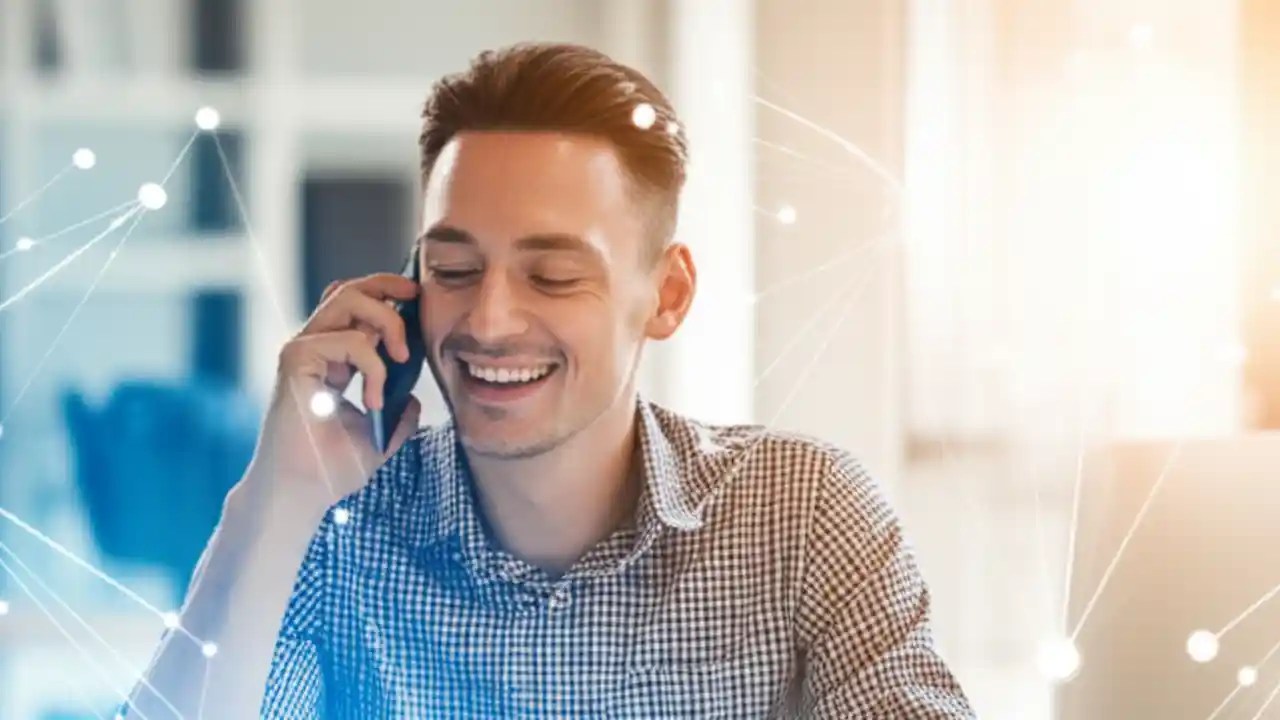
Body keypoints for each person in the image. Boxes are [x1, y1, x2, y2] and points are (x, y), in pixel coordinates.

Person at [127, 42, 975, 719]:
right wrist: (273, 498)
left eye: (553, 277)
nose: (488, 321)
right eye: (454, 268)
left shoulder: (805, 514)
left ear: (667, 294)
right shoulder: (334, 534)